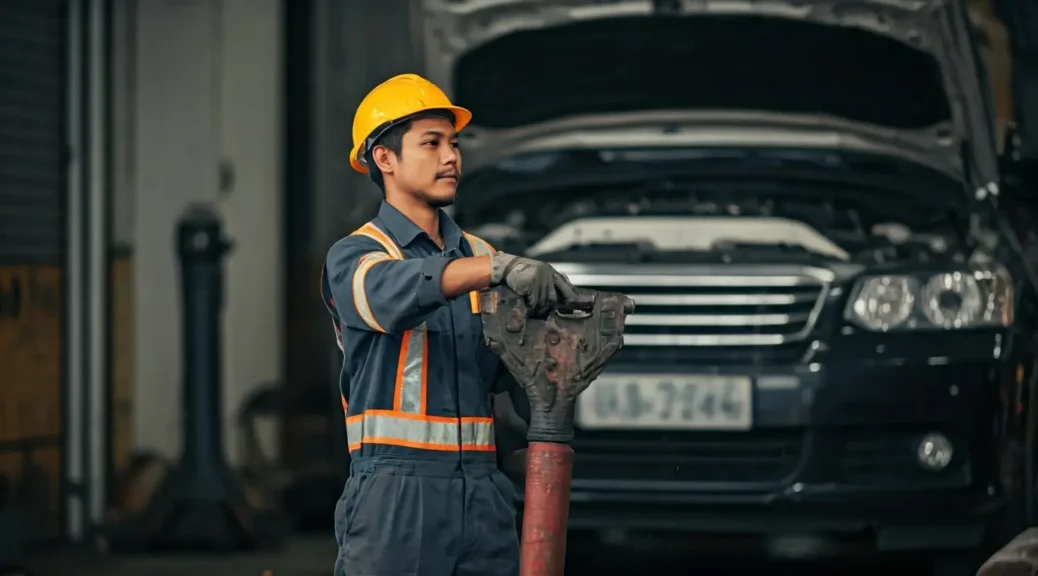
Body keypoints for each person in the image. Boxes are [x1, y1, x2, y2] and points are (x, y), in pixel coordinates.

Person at [321, 73, 579, 576]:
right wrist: (498, 271)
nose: (451, 157)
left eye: (454, 144)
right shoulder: (359, 254)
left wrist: (559, 351)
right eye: (432, 143)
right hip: (394, 493)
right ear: (385, 158)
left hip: (482, 492)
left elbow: (519, 376)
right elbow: (389, 296)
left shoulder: (481, 256)